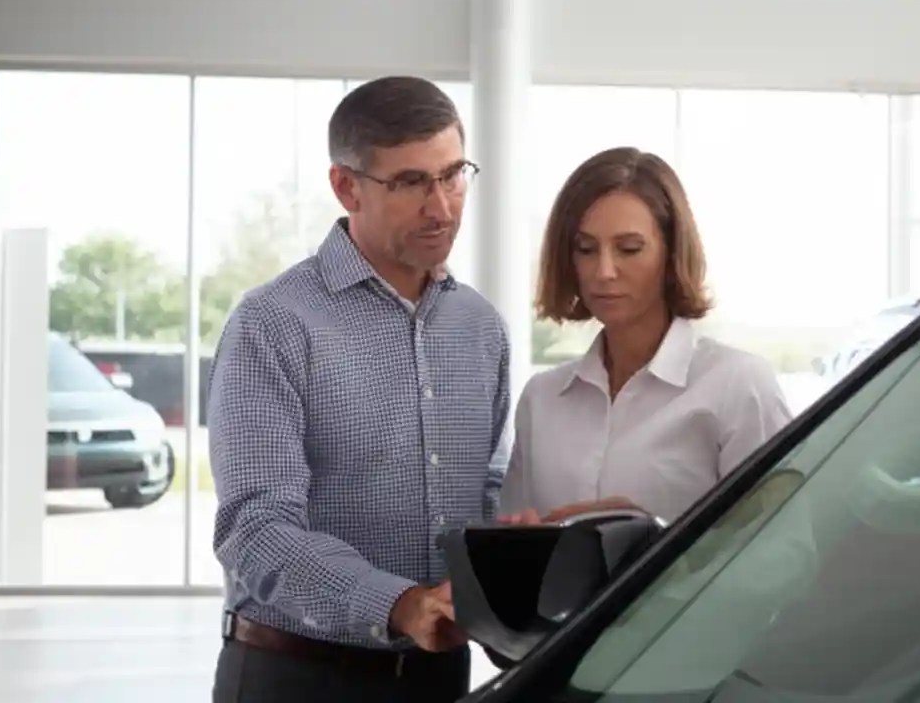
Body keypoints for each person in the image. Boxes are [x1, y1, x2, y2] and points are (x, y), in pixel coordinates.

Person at [207, 76, 510, 703]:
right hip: (296, 677)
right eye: (410, 182)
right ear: (346, 187)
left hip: (439, 678)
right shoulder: (273, 323)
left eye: (453, 175)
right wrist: (398, 605)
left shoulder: (481, 328)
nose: (442, 207)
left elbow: (487, 497)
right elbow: (255, 529)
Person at [498, 147, 792, 526]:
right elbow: (511, 541)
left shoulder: (738, 385)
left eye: (629, 249)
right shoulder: (541, 399)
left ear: (671, 254)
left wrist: (649, 535)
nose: (604, 271)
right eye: (586, 249)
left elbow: (787, 547)